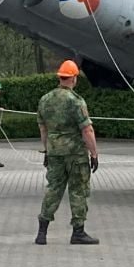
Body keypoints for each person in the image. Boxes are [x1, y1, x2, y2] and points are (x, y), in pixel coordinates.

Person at [34, 60, 100, 245]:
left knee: (53, 189)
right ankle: (78, 232)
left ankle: (42, 232)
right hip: (75, 154)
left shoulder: (45, 100)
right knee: (78, 190)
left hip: (54, 152)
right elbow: (87, 130)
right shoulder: (76, 101)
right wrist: (94, 153)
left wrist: (47, 150)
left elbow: (43, 129)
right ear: (73, 79)